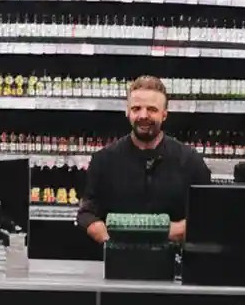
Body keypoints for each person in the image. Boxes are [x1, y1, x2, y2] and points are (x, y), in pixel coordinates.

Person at [76, 75, 212, 244]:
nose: (143, 115)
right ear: (127, 112)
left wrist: (165, 233)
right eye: (136, 108)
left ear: (164, 114)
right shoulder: (104, 160)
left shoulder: (191, 162)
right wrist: (111, 241)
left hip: (175, 263)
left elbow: (206, 217)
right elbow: (87, 213)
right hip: (120, 262)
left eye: (152, 109)